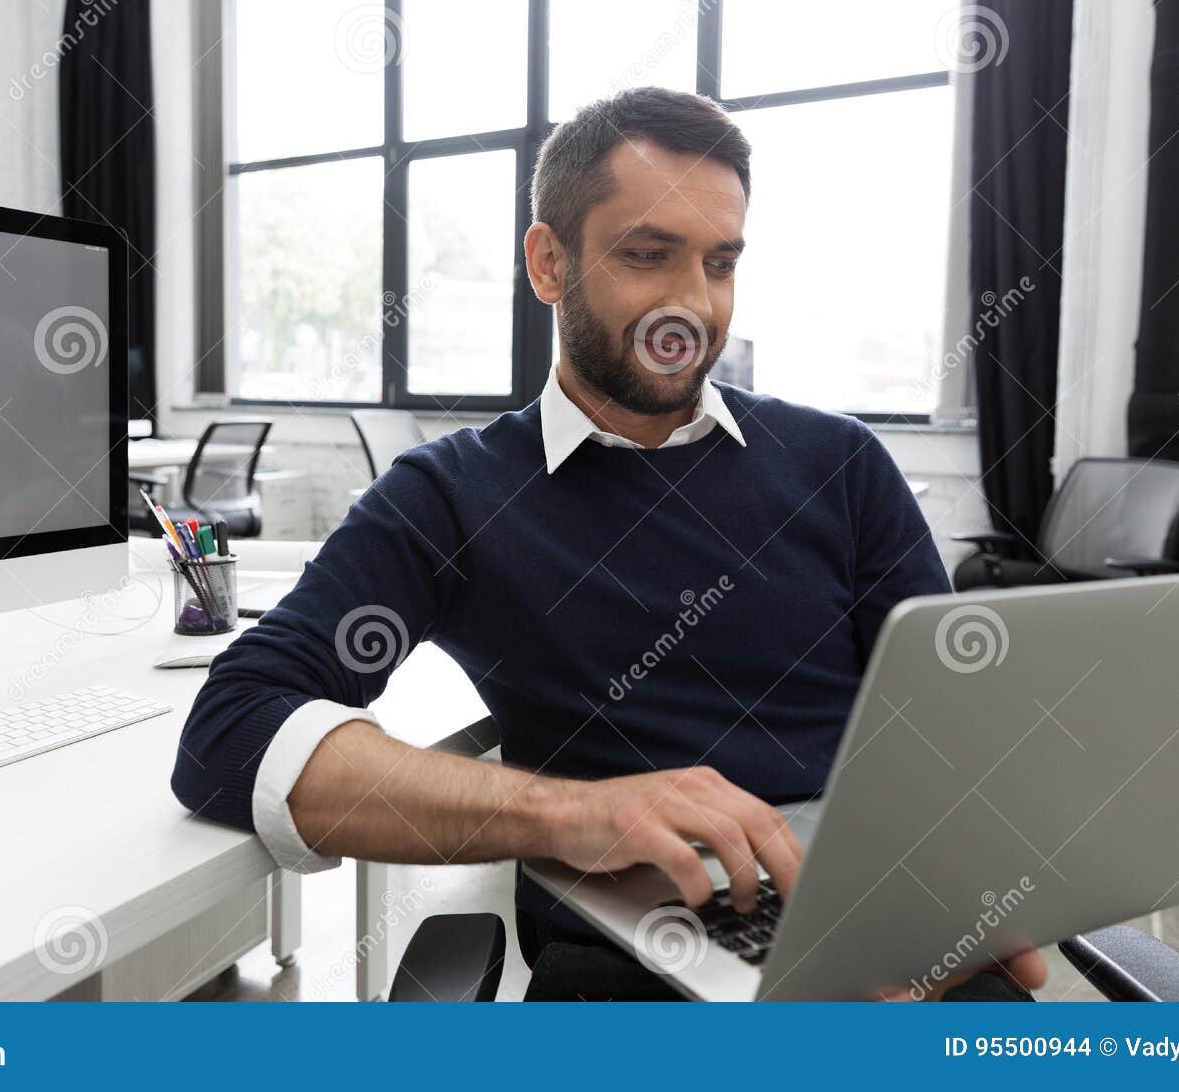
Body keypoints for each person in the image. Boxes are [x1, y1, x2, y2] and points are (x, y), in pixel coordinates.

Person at [172, 86, 1045, 1001]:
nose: (694, 305)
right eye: (648, 255)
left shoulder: (840, 464)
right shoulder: (453, 494)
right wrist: (571, 812)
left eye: (720, 262)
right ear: (549, 263)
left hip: (878, 937)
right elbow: (232, 731)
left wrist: (946, 905)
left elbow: (956, 735)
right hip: (627, 970)